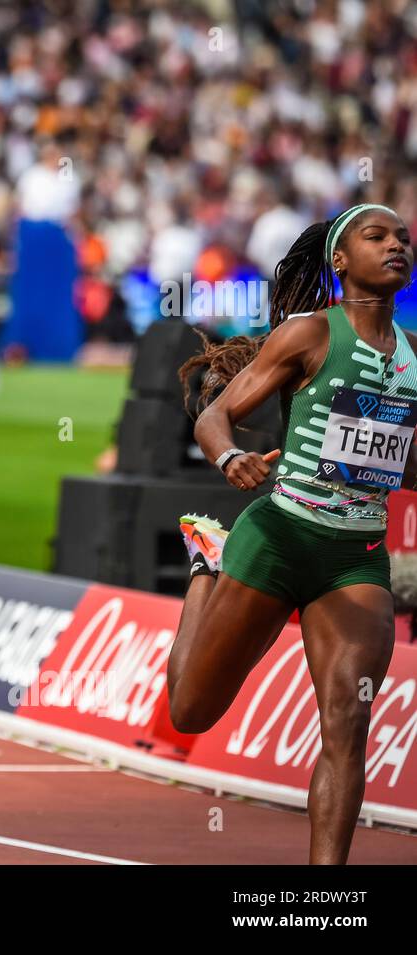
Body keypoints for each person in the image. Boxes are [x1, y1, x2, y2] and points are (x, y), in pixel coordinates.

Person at [170, 203, 415, 864]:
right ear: (340, 259)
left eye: (403, 237)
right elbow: (215, 416)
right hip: (279, 537)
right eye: (377, 235)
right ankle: (205, 566)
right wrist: (229, 457)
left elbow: (403, 458)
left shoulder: (416, 359)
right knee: (190, 711)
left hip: (355, 558)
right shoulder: (309, 335)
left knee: (348, 721)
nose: (396, 243)